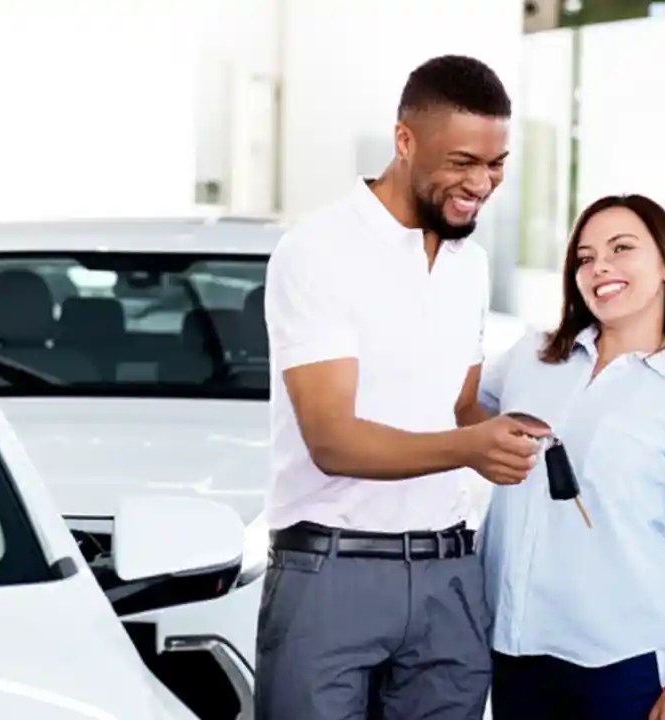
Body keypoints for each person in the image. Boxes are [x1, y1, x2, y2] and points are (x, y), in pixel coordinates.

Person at [255, 55, 546, 720]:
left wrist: (536, 417)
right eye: (463, 161)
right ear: (405, 140)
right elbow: (334, 441)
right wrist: (473, 446)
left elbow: (459, 408)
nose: (482, 183)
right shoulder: (318, 250)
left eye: (497, 164)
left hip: (449, 573)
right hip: (331, 572)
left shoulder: (468, 267)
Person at [477, 194, 665, 719]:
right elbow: (462, 416)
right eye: (584, 257)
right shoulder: (533, 357)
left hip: (620, 665)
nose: (598, 266)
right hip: (512, 652)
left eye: (621, 248)